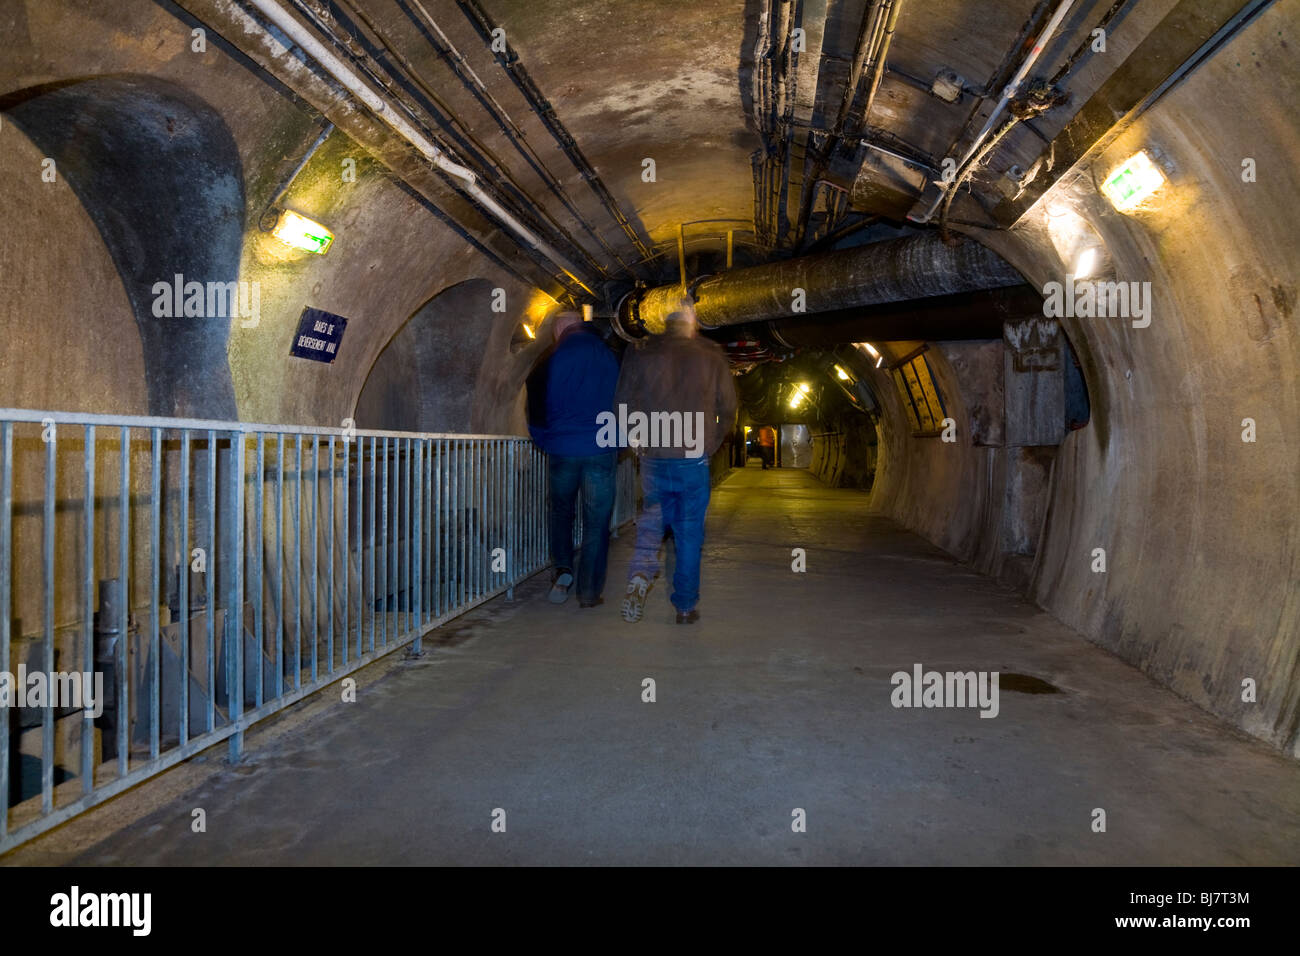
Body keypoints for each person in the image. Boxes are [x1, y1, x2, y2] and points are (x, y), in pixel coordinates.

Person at [616, 299, 737, 625]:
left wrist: (638, 442)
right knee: (688, 535)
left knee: (652, 526)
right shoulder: (711, 353)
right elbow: (728, 410)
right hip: (693, 459)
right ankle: (684, 607)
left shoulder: (641, 350)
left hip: (655, 458)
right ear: (692, 320)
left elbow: (623, 403)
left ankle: (640, 575)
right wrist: (709, 445)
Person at [526, 311, 619, 607]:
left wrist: (544, 439)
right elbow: (628, 396)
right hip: (600, 449)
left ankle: (563, 571)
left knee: (561, 512)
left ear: (559, 330)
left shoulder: (550, 358)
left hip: (563, 448)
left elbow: (536, 396)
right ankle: (589, 592)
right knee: (596, 521)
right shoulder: (610, 354)